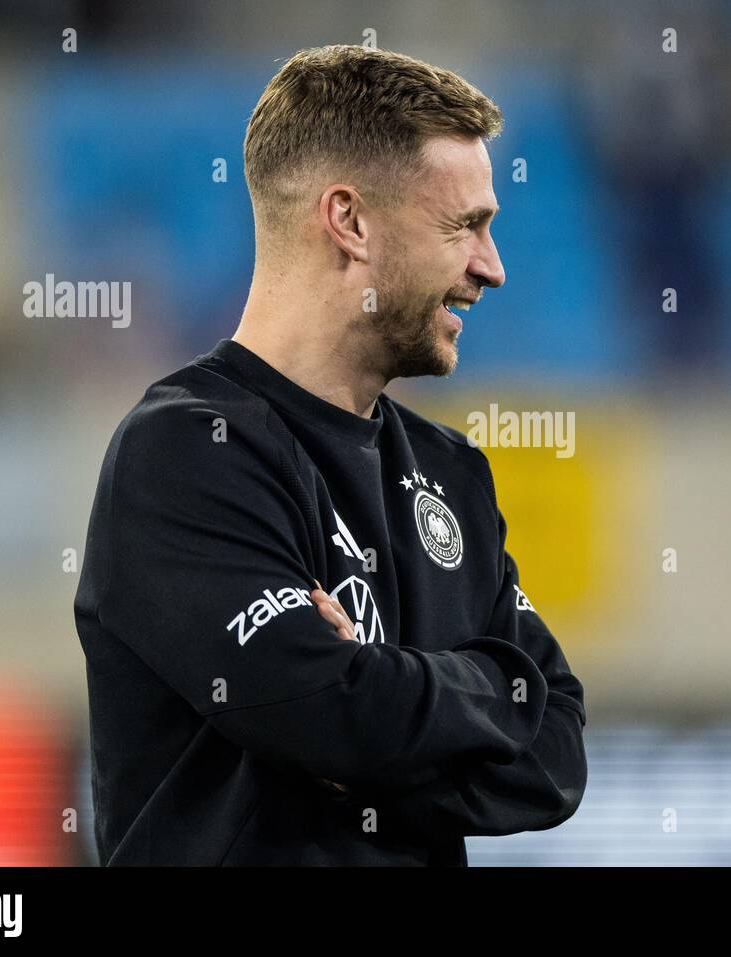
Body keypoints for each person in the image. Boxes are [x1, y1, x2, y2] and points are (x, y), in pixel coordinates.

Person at [73, 44, 587, 865]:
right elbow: (324, 712)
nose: (491, 267)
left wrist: (374, 691)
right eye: (465, 226)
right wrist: (459, 699)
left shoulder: (452, 475)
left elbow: (557, 745)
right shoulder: (185, 453)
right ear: (349, 221)